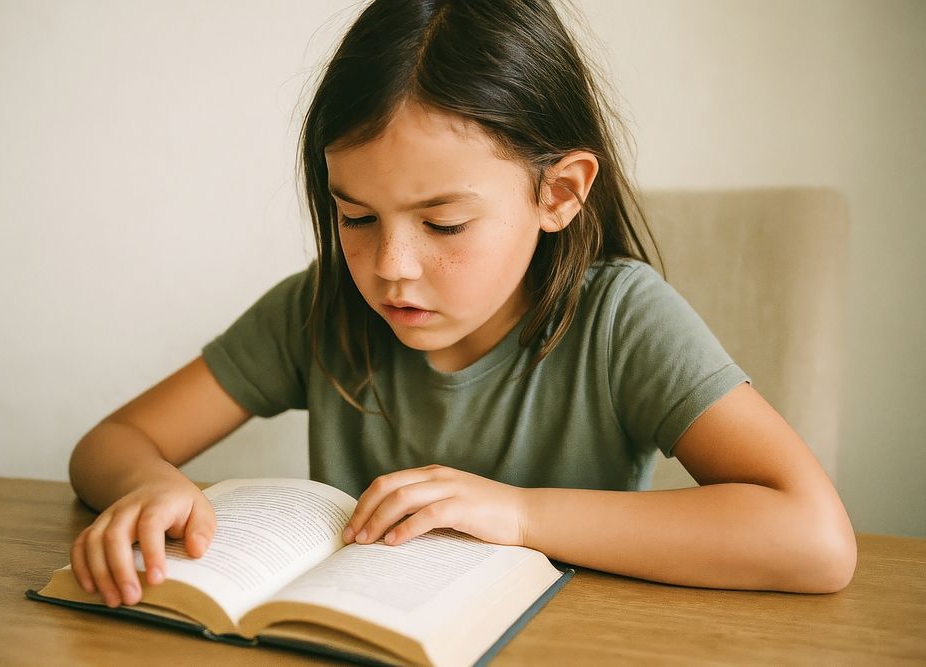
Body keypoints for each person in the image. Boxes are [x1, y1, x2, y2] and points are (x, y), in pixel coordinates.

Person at [68, 0, 856, 610]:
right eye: (356, 217)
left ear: (559, 192)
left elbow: (816, 540)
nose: (390, 269)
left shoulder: (621, 320)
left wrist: (517, 515)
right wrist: (147, 482)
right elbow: (113, 440)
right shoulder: (323, 310)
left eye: (443, 222)